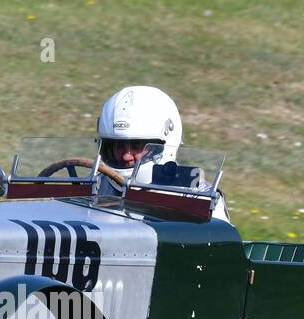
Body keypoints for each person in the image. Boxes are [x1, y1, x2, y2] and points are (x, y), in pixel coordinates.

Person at [95, 86, 229, 221]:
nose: (126, 156)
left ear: (165, 143)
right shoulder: (96, 185)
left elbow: (219, 239)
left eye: (136, 145)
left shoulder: (199, 198)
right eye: (118, 145)